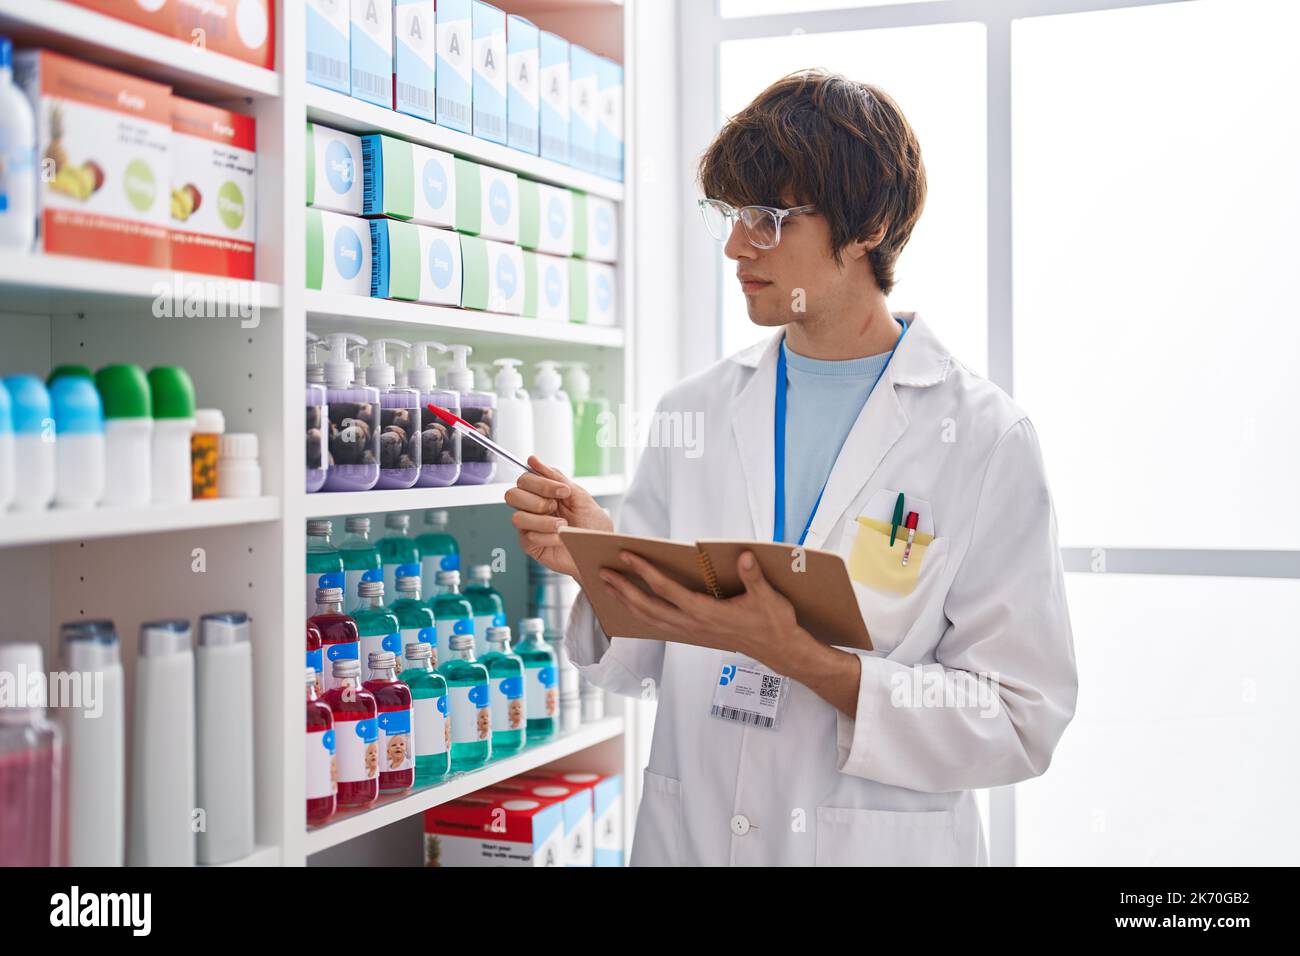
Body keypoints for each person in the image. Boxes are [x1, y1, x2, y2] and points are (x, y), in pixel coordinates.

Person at [505, 69, 1077, 866]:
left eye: (770, 219)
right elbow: (637, 664)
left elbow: (1020, 720)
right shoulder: (694, 411)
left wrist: (804, 660)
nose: (738, 245)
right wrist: (600, 561)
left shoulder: (982, 438)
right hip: (696, 833)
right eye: (732, 216)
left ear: (870, 225)